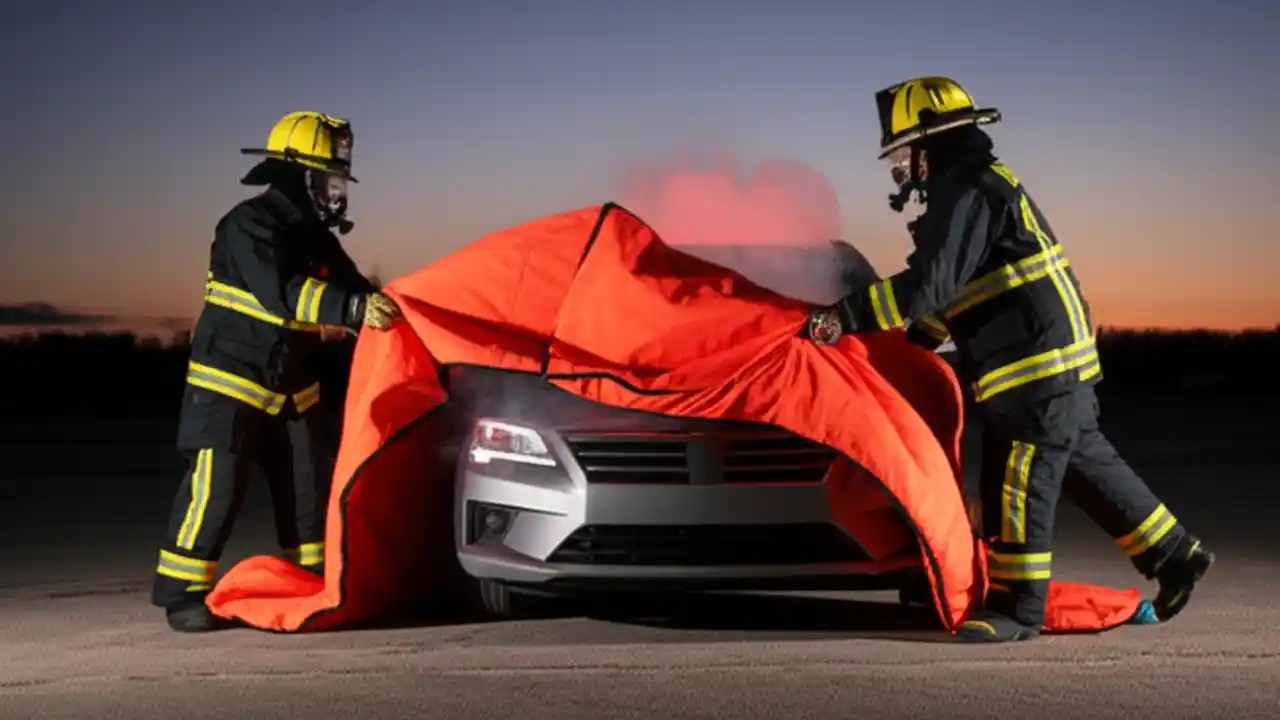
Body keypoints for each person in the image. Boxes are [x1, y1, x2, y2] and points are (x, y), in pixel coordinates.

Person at [800, 77, 1214, 642]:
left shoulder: (965, 190)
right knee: (1085, 467)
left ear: (932, 143)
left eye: (904, 152)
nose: (900, 166)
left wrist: (844, 317)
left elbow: (930, 285)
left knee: (1016, 484)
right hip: (1054, 367)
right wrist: (914, 342)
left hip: (1034, 372)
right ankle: (1175, 554)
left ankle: (1018, 610)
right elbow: (961, 291)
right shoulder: (973, 188)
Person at [152, 111, 403, 632]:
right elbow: (283, 293)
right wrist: (352, 310)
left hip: (291, 387)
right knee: (217, 486)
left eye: (339, 182)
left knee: (308, 487)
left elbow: (353, 286)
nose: (337, 194)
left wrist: (383, 304)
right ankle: (182, 594)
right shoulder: (249, 225)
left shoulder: (312, 235)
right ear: (297, 175)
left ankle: (314, 581)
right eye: (328, 181)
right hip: (229, 385)